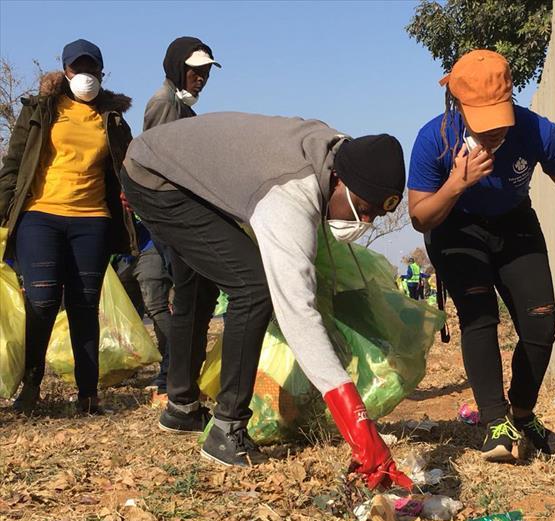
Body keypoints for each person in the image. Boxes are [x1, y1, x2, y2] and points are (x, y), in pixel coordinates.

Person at [119, 112, 412, 490]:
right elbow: (298, 314)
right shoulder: (288, 196)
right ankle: (227, 428)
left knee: (207, 279)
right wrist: (358, 425)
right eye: (364, 209)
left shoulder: (337, 152)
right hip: (156, 176)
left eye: (375, 215)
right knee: (252, 287)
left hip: (176, 167)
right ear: (339, 180)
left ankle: (181, 408)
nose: (365, 221)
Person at [408, 50, 555, 462]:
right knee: (479, 315)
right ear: (458, 106)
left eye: (499, 121)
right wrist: (456, 183)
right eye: (483, 124)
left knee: (542, 319)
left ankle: (521, 412)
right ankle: (494, 422)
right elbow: (420, 217)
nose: (495, 135)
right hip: (454, 225)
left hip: (514, 222)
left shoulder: (536, 131)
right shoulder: (433, 139)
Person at [0, 39, 135, 415]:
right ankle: (31, 384)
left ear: (101, 73)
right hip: (39, 215)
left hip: (92, 220)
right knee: (41, 302)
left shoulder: (113, 118)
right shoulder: (40, 109)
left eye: (91, 68)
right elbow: (13, 166)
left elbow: (127, 169)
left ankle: (88, 396)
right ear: (65, 72)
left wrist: (134, 197)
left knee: (84, 306)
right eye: (77, 69)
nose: (84, 76)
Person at [134, 36, 223, 398]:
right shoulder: (164, 104)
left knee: (196, 298)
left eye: (204, 72)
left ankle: (179, 381)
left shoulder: (184, 109)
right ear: (176, 68)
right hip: (173, 218)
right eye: (193, 70)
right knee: (188, 299)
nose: (200, 78)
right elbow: (159, 163)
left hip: (179, 216)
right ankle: (173, 382)